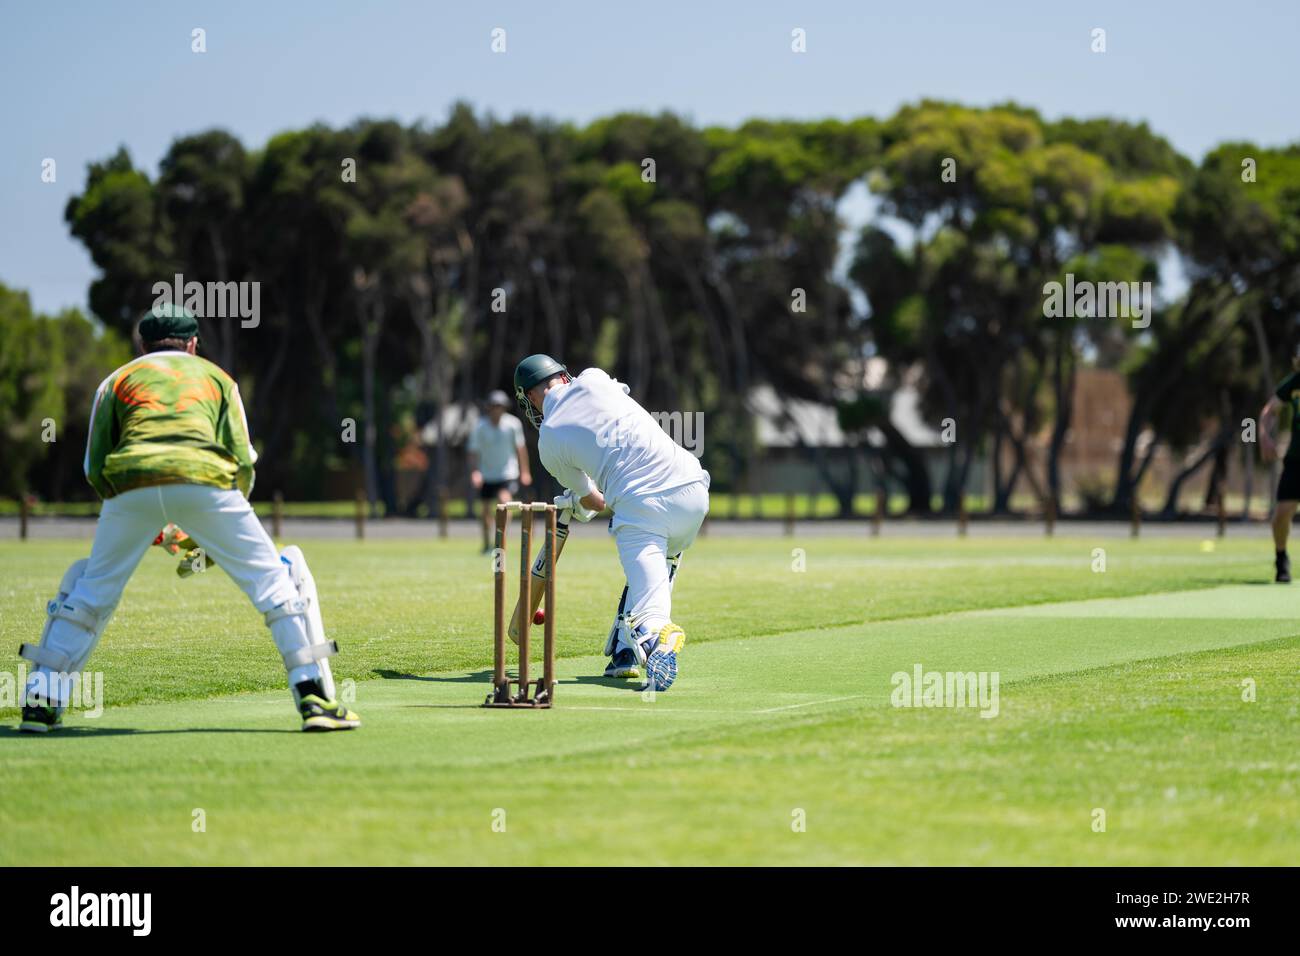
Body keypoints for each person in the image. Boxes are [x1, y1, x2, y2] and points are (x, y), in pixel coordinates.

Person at [17, 304, 359, 733]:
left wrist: (144, 524)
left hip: (130, 484)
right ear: (193, 344)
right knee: (275, 580)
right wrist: (219, 534)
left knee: (90, 590)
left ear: (143, 345)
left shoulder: (116, 380)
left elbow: (94, 466)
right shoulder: (219, 378)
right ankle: (313, 697)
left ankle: (41, 701)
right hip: (204, 482)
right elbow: (243, 462)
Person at [513, 354, 709, 691]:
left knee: (651, 611)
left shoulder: (549, 441)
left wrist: (575, 502)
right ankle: (624, 654)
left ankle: (655, 637)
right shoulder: (593, 377)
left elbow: (596, 501)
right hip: (693, 487)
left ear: (531, 397)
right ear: (562, 376)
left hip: (642, 508)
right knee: (663, 561)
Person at [467, 389, 531, 553]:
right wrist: (475, 472)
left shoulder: (513, 424)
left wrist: (525, 472)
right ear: (489, 407)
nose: (497, 409)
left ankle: (501, 541)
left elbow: (520, 449)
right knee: (486, 511)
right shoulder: (480, 427)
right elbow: (473, 452)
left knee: (504, 502)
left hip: (507, 473)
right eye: (494, 406)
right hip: (487, 474)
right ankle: (487, 543)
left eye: (500, 406)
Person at [1259, 358, 1300, 582]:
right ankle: (1281, 559)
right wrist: (1264, 435)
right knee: (1281, 514)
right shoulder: (1294, 383)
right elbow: (1268, 411)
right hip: (1296, 459)